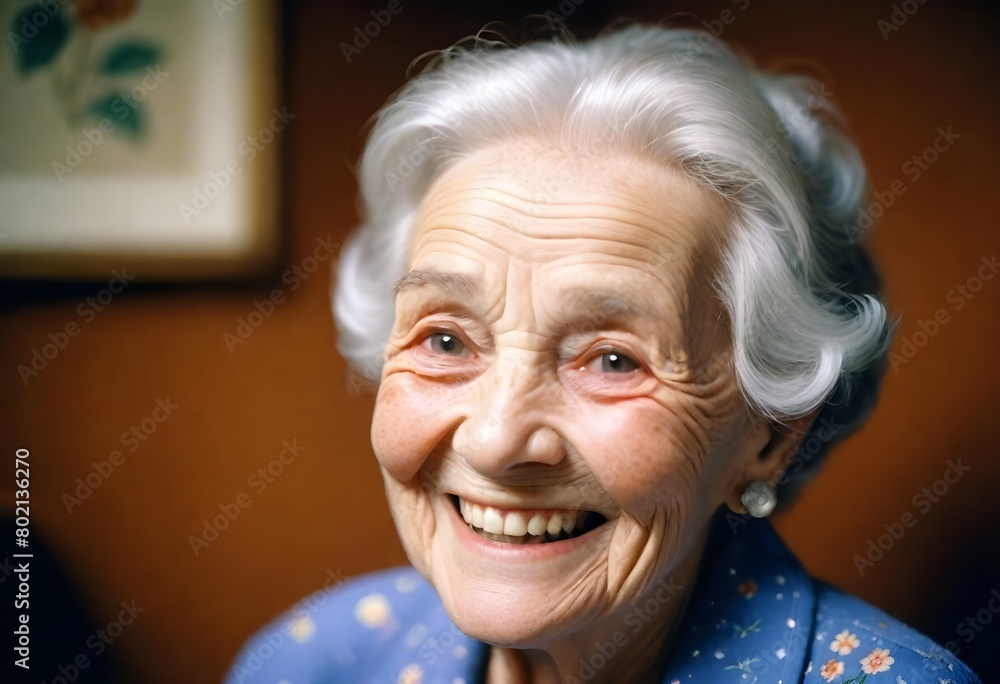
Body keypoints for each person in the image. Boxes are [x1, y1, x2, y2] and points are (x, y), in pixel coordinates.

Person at [225, 23, 981, 683]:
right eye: (446, 341)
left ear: (771, 436)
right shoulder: (309, 661)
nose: (495, 440)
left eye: (613, 360)